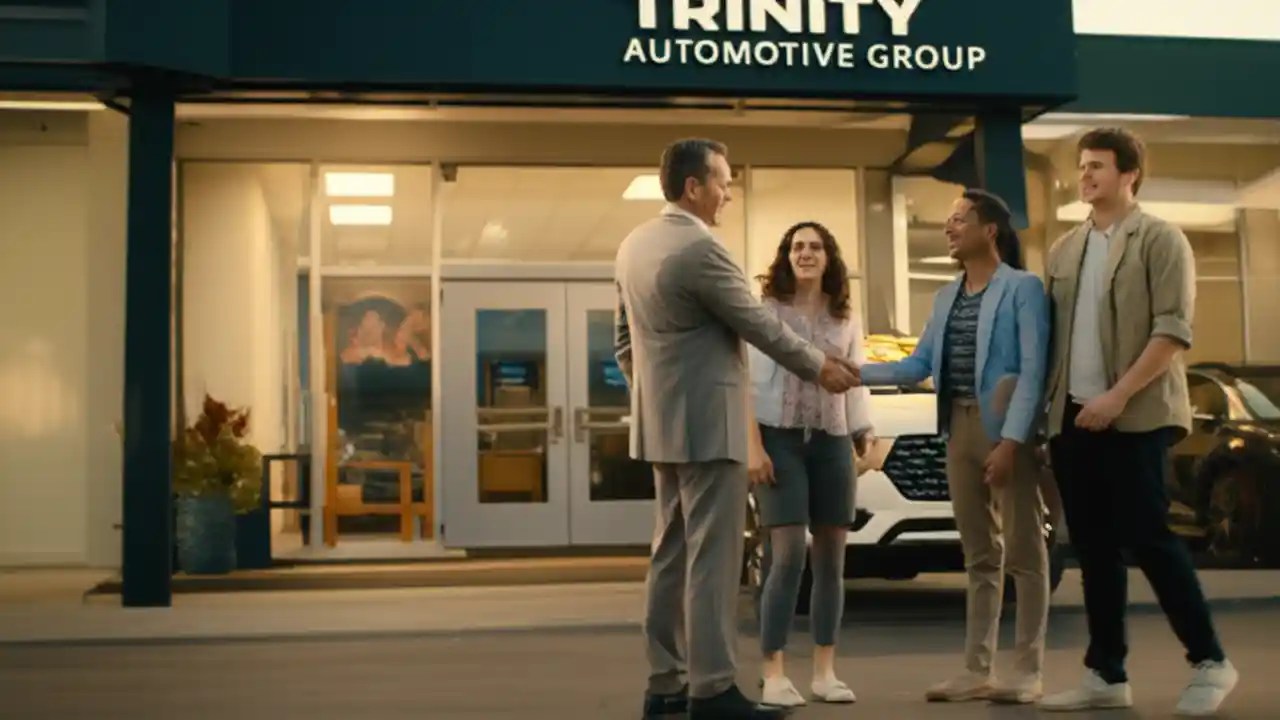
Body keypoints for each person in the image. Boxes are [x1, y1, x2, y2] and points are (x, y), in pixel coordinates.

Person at [614, 138, 861, 720]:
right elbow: (757, 325)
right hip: (710, 425)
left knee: (669, 555)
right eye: (722, 181)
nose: (728, 191)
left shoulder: (633, 246)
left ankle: (666, 683)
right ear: (693, 187)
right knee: (712, 561)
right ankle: (714, 689)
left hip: (662, 427)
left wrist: (657, 397)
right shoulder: (701, 248)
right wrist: (819, 365)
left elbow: (624, 343)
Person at [1038, 128, 1238, 716]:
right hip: (1073, 417)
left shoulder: (1161, 239)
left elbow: (1172, 331)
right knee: (1094, 547)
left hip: (1137, 414)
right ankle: (1106, 672)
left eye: (1097, 166)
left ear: (1130, 174)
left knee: (1148, 537)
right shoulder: (1065, 249)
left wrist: (1117, 397)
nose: (1085, 176)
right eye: (1081, 166)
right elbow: (1055, 340)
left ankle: (1210, 661)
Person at [860, 188, 1051, 704]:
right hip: (957, 424)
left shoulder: (1023, 289)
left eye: (958, 220)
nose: (949, 228)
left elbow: (1034, 371)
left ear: (989, 230)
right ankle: (976, 670)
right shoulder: (946, 296)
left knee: (1026, 551)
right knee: (979, 553)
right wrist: (846, 371)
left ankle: (1028, 671)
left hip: (1006, 425)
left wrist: (1012, 440)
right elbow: (916, 366)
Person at [746, 221, 874, 708]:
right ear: (786, 255)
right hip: (778, 439)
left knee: (831, 560)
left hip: (832, 439)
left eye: (815, 246)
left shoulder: (844, 315)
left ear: (829, 257)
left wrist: (863, 430)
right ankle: (773, 671)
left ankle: (824, 670)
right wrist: (753, 448)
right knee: (787, 555)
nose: (805, 253)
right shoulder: (766, 313)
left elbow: (856, 377)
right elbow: (748, 385)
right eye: (797, 246)